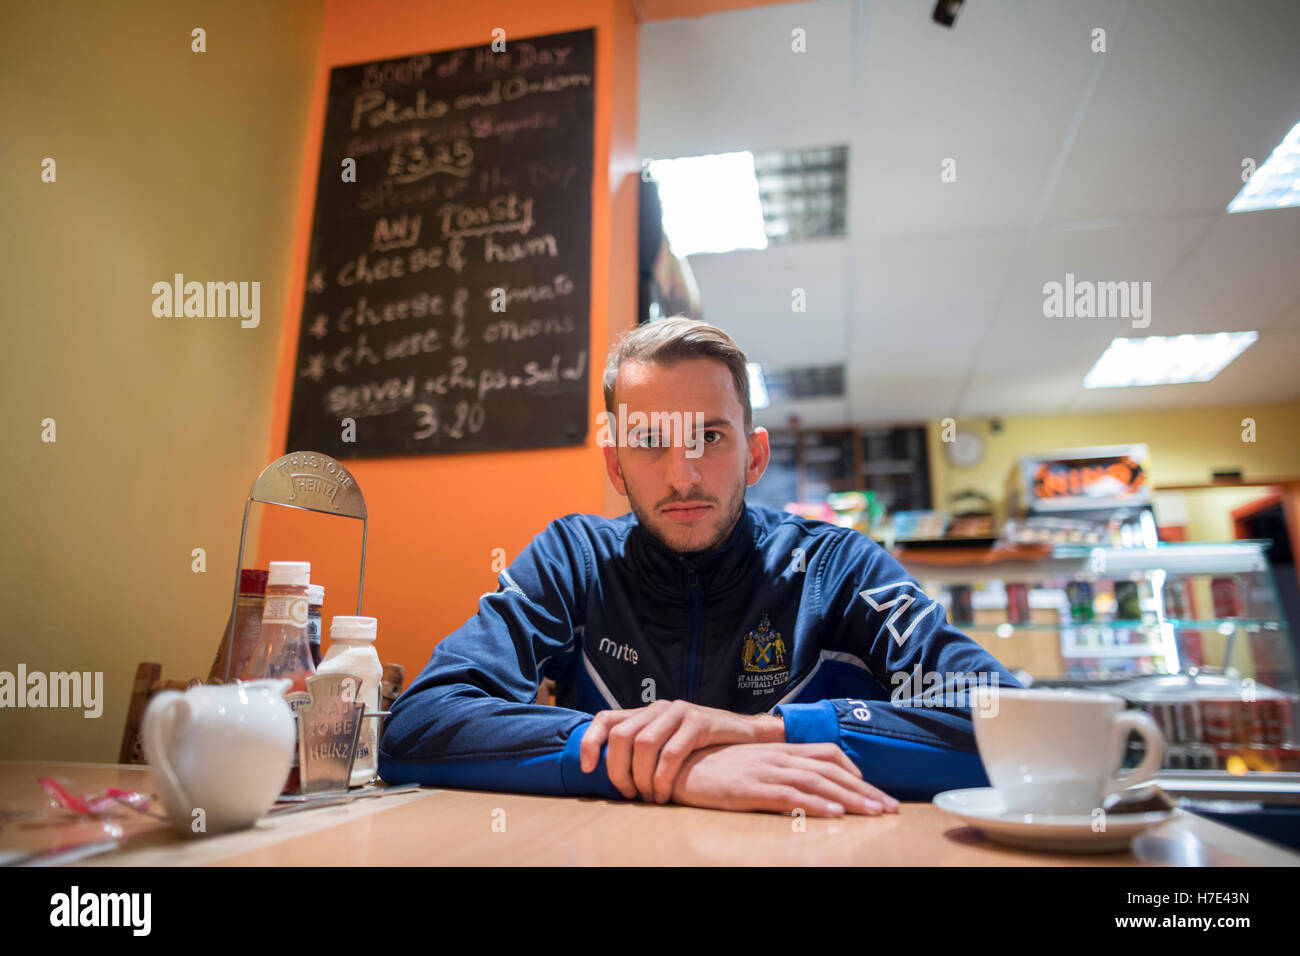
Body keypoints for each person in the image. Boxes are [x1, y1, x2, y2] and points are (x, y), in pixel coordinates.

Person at [379, 318, 1021, 817]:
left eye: (709, 437)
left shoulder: (837, 567)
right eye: (650, 443)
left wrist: (763, 735)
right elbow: (419, 724)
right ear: (615, 465)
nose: (681, 476)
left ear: (754, 455)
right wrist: (674, 766)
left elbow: (1008, 723)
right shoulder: (572, 560)